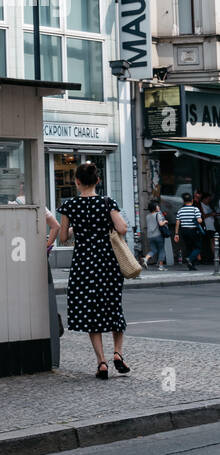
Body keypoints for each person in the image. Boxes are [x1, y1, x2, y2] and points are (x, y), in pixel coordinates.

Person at [57, 161, 129, 380]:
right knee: (113, 305)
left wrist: (74, 227)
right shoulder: (107, 202)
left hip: (84, 264)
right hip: (107, 262)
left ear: (77, 182)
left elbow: (63, 237)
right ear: (98, 180)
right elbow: (122, 228)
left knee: (91, 312)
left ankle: (102, 363)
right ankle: (118, 353)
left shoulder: (70, 205)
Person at [173, 192, 204, 271]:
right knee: (198, 247)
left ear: (184, 201)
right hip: (193, 230)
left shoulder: (180, 210)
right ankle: (189, 259)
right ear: (192, 200)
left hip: (184, 231)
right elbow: (199, 220)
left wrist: (176, 234)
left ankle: (191, 266)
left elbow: (177, 222)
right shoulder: (195, 209)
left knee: (189, 247)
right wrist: (200, 219)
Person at [143, 199, 169, 271]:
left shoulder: (147, 216)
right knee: (161, 250)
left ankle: (146, 258)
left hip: (150, 236)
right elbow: (160, 224)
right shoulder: (158, 214)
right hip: (158, 235)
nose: (159, 207)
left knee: (153, 250)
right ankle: (161, 266)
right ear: (155, 207)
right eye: (157, 206)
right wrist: (165, 221)